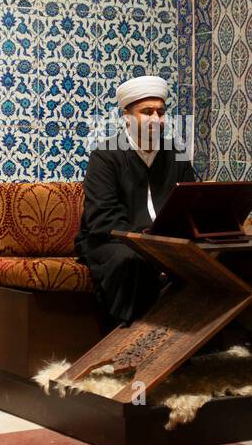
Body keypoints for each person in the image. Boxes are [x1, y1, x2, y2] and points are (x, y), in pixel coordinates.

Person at [75, 75, 198, 328]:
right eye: (147, 112)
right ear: (127, 116)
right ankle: (127, 335)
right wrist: (148, 242)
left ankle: (196, 341)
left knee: (206, 259)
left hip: (166, 242)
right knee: (130, 260)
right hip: (113, 240)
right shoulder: (106, 156)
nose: (156, 119)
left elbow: (190, 207)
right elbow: (103, 219)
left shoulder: (176, 155)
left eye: (161, 112)